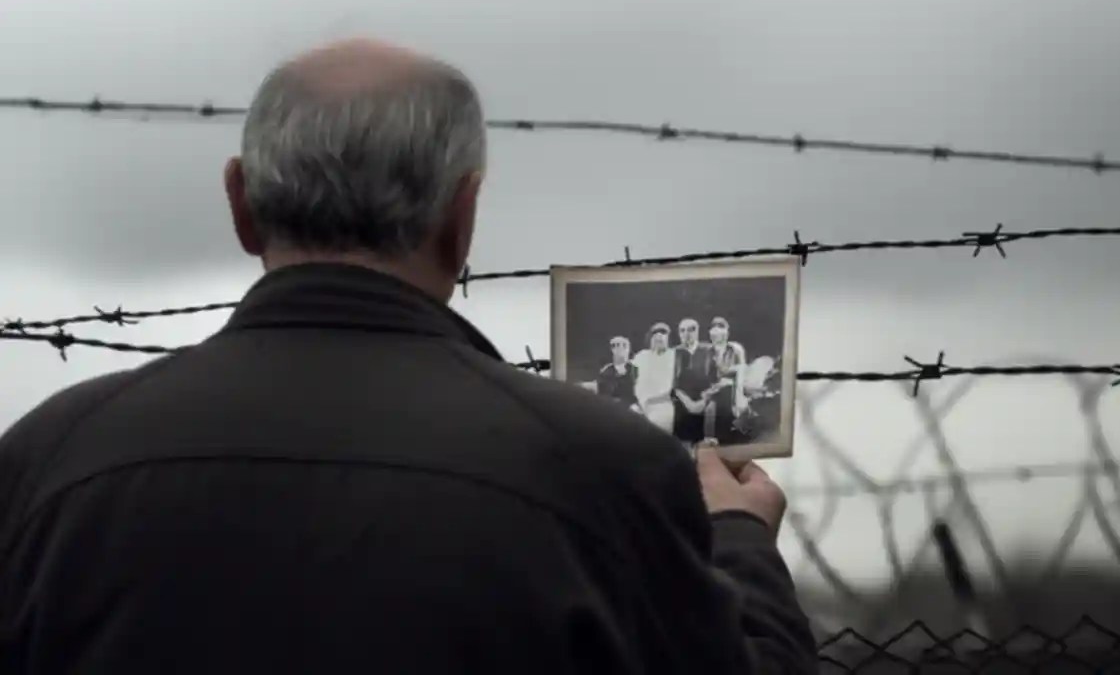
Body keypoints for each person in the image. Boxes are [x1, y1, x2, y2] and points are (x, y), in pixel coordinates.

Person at [0, 39, 816, 674]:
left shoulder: (45, 460)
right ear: (462, 220)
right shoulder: (608, 471)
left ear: (241, 205)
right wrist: (738, 541)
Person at [672, 317, 715, 445]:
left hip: (706, 399)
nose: (687, 334)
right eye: (682, 330)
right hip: (681, 401)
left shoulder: (709, 350)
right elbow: (672, 383)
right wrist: (688, 403)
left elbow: (716, 378)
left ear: (698, 331)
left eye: (691, 329)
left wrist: (704, 400)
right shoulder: (674, 353)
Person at [706, 316, 748, 444]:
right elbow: (708, 376)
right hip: (716, 390)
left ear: (726, 333)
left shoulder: (735, 349)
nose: (716, 333)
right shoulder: (709, 352)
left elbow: (742, 372)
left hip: (734, 388)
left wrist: (738, 395)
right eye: (714, 329)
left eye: (721, 328)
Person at [631, 321, 677, 432]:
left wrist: (653, 400)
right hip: (641, 404)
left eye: (663, 333)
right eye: (655, 334)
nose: (659, 336)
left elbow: (676, 386)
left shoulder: (675, 356)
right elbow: (632, 380)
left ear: (668, 339)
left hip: (664, 403)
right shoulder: (640, 356)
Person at [594, 335, 639, 412]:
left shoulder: (636, 370)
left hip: (634, 410)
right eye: (616, 346)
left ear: (629, 349)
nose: (620, 349)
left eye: (624, 346)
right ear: (612, 350)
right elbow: (604, 396)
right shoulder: (606, 372)